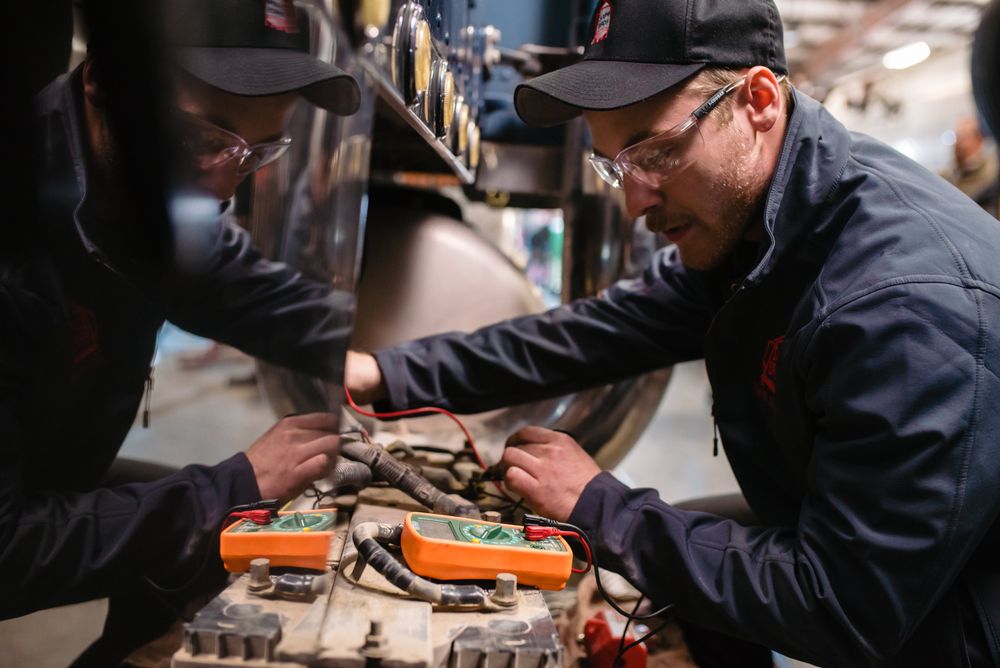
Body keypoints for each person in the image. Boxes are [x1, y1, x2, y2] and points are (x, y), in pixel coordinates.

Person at [346, 0, 1000, 665]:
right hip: (886, 570)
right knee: (695, 554)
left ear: (758, 101)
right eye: (615, 166)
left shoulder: (904, 309)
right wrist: (384, 373)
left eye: (656, 153)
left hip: (960, 630)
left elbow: (845, 604)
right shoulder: (764, 221)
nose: (635, 202)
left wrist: (600, 507)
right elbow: (595, 332)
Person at [3, 0, 359, 663]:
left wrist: (394, 364)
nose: (223, 188)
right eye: (201, 140)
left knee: (210, 542)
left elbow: (277, 303)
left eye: (256, 151)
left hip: (44, 476)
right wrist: (236, 485)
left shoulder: (150, 195)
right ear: (105, 78)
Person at [941, 116, 998, 217]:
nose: (959, 142)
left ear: (979, 140)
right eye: (957, 136)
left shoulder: (993, 172)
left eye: (965, 137)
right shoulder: (945, 176)